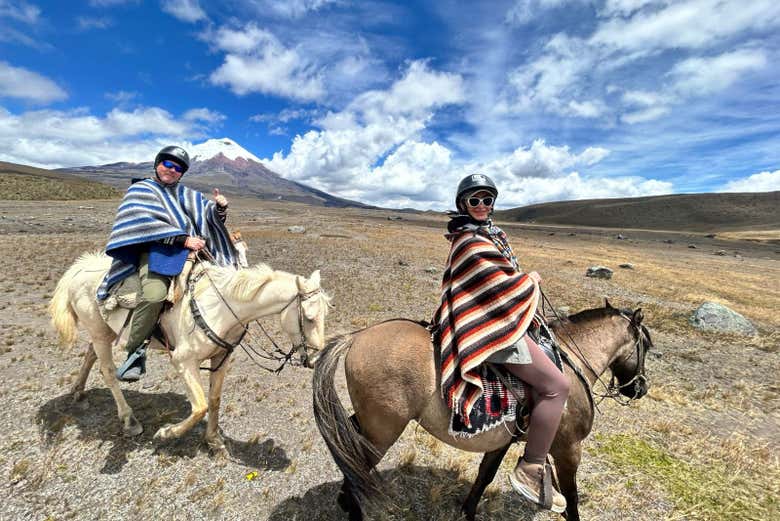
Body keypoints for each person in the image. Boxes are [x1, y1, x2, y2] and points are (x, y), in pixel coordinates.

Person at [433, 174, 570, 513]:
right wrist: (530, 281)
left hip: (492, 316)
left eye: (487, 200)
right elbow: (496, 286)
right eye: (474, 200)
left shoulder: (490, 235)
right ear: (462, 203)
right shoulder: (469, 241)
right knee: (557, 386)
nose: (482, 206)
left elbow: (498, 281)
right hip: (485, 326)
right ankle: (532, 466)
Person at [97, 145, 238, 382]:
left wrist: (220, 208)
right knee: (154, 295)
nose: (171, 170)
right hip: (155, 252)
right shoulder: (141, 190)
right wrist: (183, 239)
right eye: (167, 164)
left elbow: (207, 217)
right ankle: (136, 351)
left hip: (193, 251)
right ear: (157, 164)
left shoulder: (186, 194)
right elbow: (140, 223)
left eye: (178, 168)